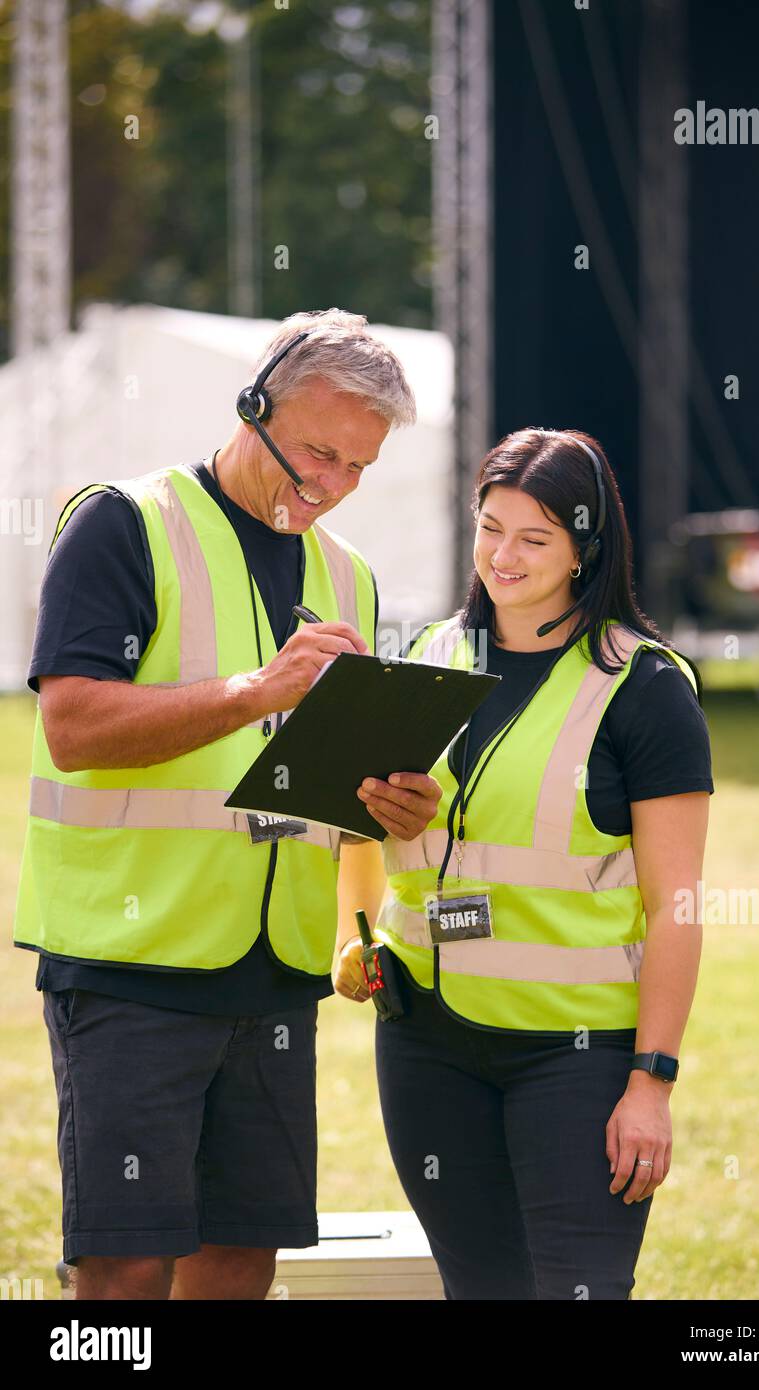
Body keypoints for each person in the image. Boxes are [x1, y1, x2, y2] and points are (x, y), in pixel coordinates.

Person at [14, 307, 443, 1301]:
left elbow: (326, 787)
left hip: (276, 974)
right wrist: (256, 691)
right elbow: (73, 726)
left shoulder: (351, 579)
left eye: (356, 469)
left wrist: (389, 802)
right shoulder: (123, 524)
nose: (330, 487)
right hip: (130, 967)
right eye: (314, 454)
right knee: (124, 1265)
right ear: (251, 407)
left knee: (244, 1256)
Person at [335, 427, 713, 1300]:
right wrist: (356, 934)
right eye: (490, 527)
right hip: (426, 1046)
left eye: (535, 538)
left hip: (574, 1057)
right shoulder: (426, 659)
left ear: (585, 549)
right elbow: (356, 830)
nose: (503, 556)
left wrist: (651, 1082)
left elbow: (679, 906)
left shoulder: (643, 689)